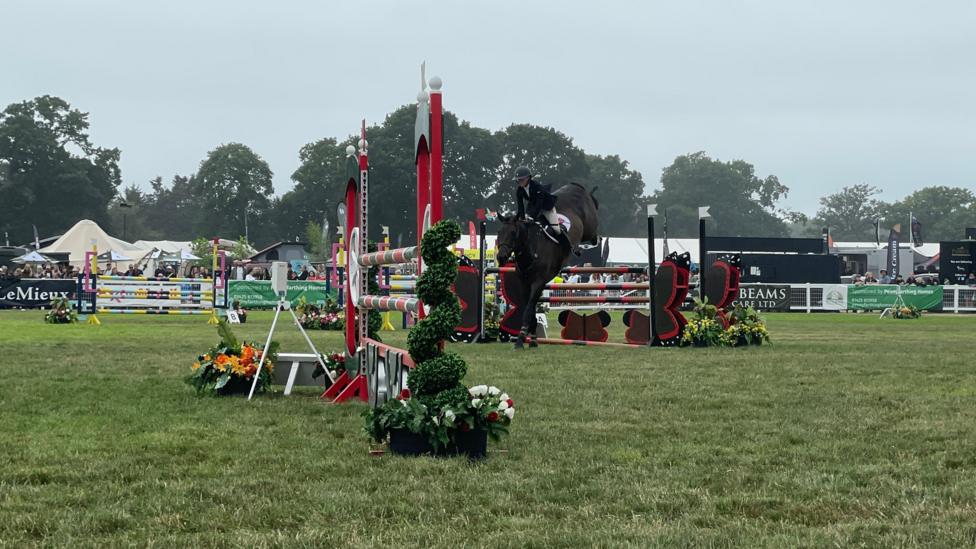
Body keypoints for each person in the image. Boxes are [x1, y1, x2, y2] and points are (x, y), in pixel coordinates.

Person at [513, 166, 572, 252]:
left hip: (547, 208)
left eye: (521, 179)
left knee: (556, 229)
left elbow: (539, 204)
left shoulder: (537, 187)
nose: (519, 182)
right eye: (518, 180)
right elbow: (520, 205)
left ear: (528, 178)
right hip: (533, 207)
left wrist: (532, 217)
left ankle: (569, 247)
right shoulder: (519, 190)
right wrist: (522, 218)